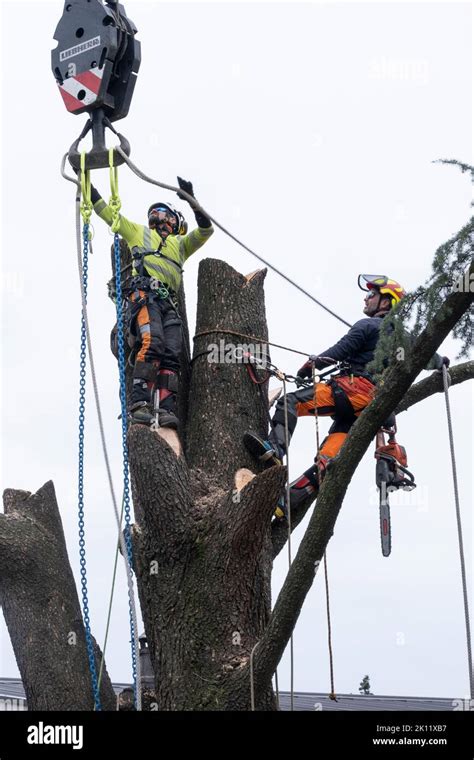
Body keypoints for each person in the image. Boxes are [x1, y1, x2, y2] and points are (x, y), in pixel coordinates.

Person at [244, 274, 449, 518]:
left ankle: (275, 451)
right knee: (328, 460)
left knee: (291, 401)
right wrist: (442, 364)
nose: (366, 297)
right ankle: (286, 502)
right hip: (366, 409)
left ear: (386, 303)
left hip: (351, 391)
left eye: (372, 294)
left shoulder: (368, 326)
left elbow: (339, 352)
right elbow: (429, 356)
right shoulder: (406, 340)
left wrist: (312, 364)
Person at [90, 176, 214, 427]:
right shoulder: (138, 232)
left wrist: (192, 201)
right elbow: (105, 211)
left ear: (175, 222)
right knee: (153, 341)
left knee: (171, 354)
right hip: (145, 296)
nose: (159, 220)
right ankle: (139, 403)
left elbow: (206, 230)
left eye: (165, 216)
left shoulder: (180, 245)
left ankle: (166, 407)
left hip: (168, 304)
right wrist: (87, 183)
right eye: (155, 215)